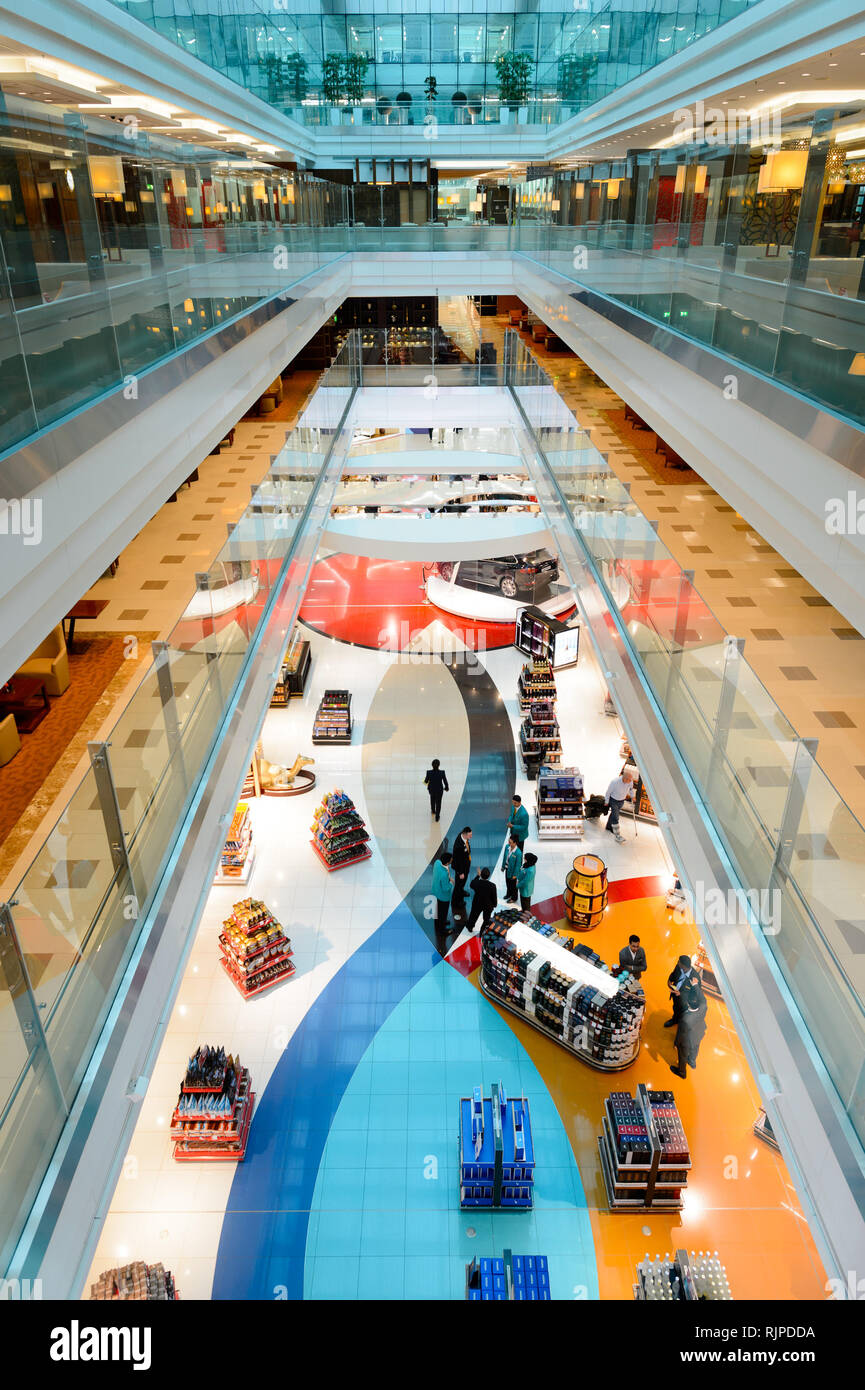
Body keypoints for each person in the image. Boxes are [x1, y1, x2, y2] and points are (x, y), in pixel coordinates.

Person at [671, 980, 708, 1078]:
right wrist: (695, 985)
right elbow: (701, 997)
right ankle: (692, 1062)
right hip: (699, 1033)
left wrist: (676, 1043)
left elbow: (681, 1033)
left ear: (688, 1003)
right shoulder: (703, 1006)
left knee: (682, 1055)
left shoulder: (685, 1019)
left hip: (687, 1039)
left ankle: (682, 1072)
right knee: (695, 1047)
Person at [665, 953, 697, 1027]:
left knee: (683, 1012)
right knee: (675, 1007)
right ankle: (674, 1019)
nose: (677, 963)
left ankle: (681, 1024)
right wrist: (669, 982)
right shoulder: (678, 967)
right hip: (675, 995)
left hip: (685, 1000)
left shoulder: (695, 977)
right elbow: (673, 975)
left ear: (684, 966)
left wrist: (681, 994)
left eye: (679, 962)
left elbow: (694, 994)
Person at [604, 768, 633, 844]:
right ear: (624, 778)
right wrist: (606, 801)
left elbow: (631, 789)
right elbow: (608, 792)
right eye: (629, 780)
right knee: (616, 817)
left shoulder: (630, 781)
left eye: (631, 780)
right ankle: (617, 835)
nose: (630, 781)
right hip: (613, 800)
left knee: (613, 815)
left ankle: (608, 827)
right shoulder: (615, 782)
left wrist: (632, 796)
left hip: (621, 800)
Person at [467, 867, 497, 934]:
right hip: (488, 905)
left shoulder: (477, 883)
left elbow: (471, 884)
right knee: (486, 918)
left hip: (477, 903)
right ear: (489, 876)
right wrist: (495, 904)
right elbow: (494, 897)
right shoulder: (492, 886)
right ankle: (482, 931)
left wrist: (478, 875)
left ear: (481, 875)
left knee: (473, 916)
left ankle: (470, 927)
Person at [432, 852, 454, 934]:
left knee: (437, 912)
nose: (452, 860)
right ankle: (441, 930)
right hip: (443, 897)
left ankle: (440, 923)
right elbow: (446, 888)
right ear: (447, 862)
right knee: (442, 913)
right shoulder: (444, 874)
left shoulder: (437, 862)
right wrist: (451, 883)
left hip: (435, 891)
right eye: (451, 860)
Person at [451, 826, 472, 906]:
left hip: (465, 865)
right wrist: (460, 873)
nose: (471, 836)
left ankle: (461, 891)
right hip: (461, 869)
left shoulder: (463, 836)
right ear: (465, 835)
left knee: (462, 883)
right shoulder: (459, 846)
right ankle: (456, 901)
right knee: (458, 885)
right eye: (470, 835)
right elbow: (457, 861)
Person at [502, 833, 523, 904]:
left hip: (513, 871)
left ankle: (514, 898)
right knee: (507, 882)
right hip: (507, 868)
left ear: (515, 843)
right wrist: (503, 866)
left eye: (510, 842)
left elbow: (518, 865)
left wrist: (515, 875)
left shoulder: (518, 853)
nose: (508, 843)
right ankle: (508, 894)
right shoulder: (507, 847)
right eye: (509, 841)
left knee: (513, 885)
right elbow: (504, 857)